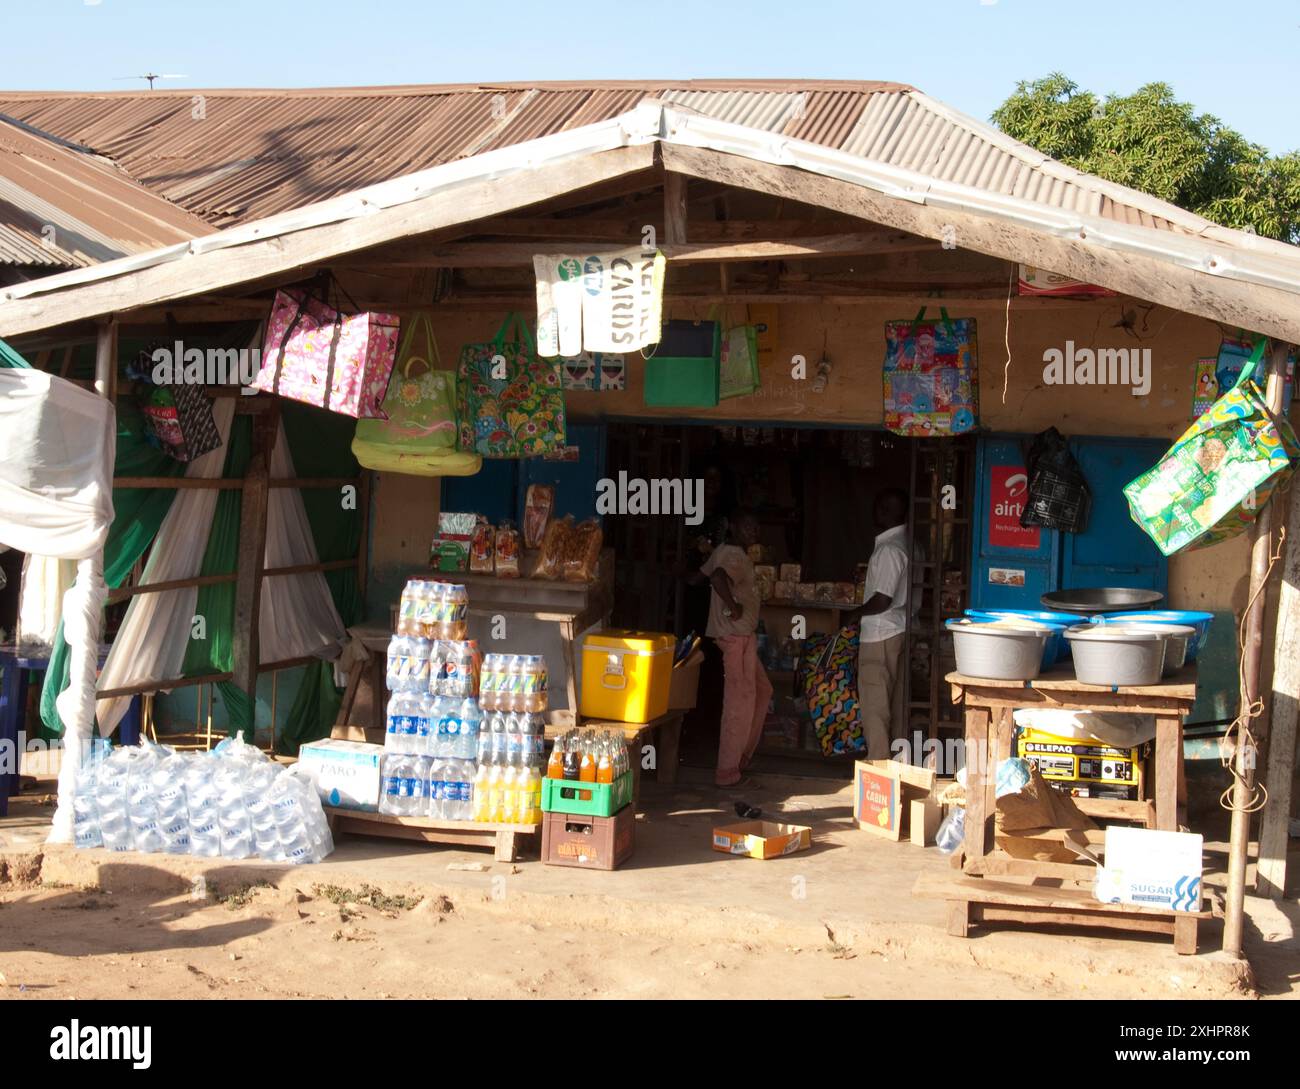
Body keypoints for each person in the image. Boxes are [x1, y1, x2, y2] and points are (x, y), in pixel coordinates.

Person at [695, 512, 771, 787]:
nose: (754, 530)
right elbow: (716, 577)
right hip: (736, 638)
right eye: (748, 524)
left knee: (762, 691)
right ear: (732, 525)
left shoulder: (722, 551)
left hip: (738, 637)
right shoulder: (735, 556)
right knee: (738, 705)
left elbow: (698, 577)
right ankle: (727, 771)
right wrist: (735, 607)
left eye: (756, 525)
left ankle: (741, 757)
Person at [845, 488, 910, 759]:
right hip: (895, 631)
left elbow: (882, 600)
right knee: (894, 708)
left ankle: (878, 770)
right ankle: (895, 769)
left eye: (883, 506)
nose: (878, 510)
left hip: (880, 634)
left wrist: (856, 613)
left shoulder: (889, 550)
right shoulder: (903, 544)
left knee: (875, 707)